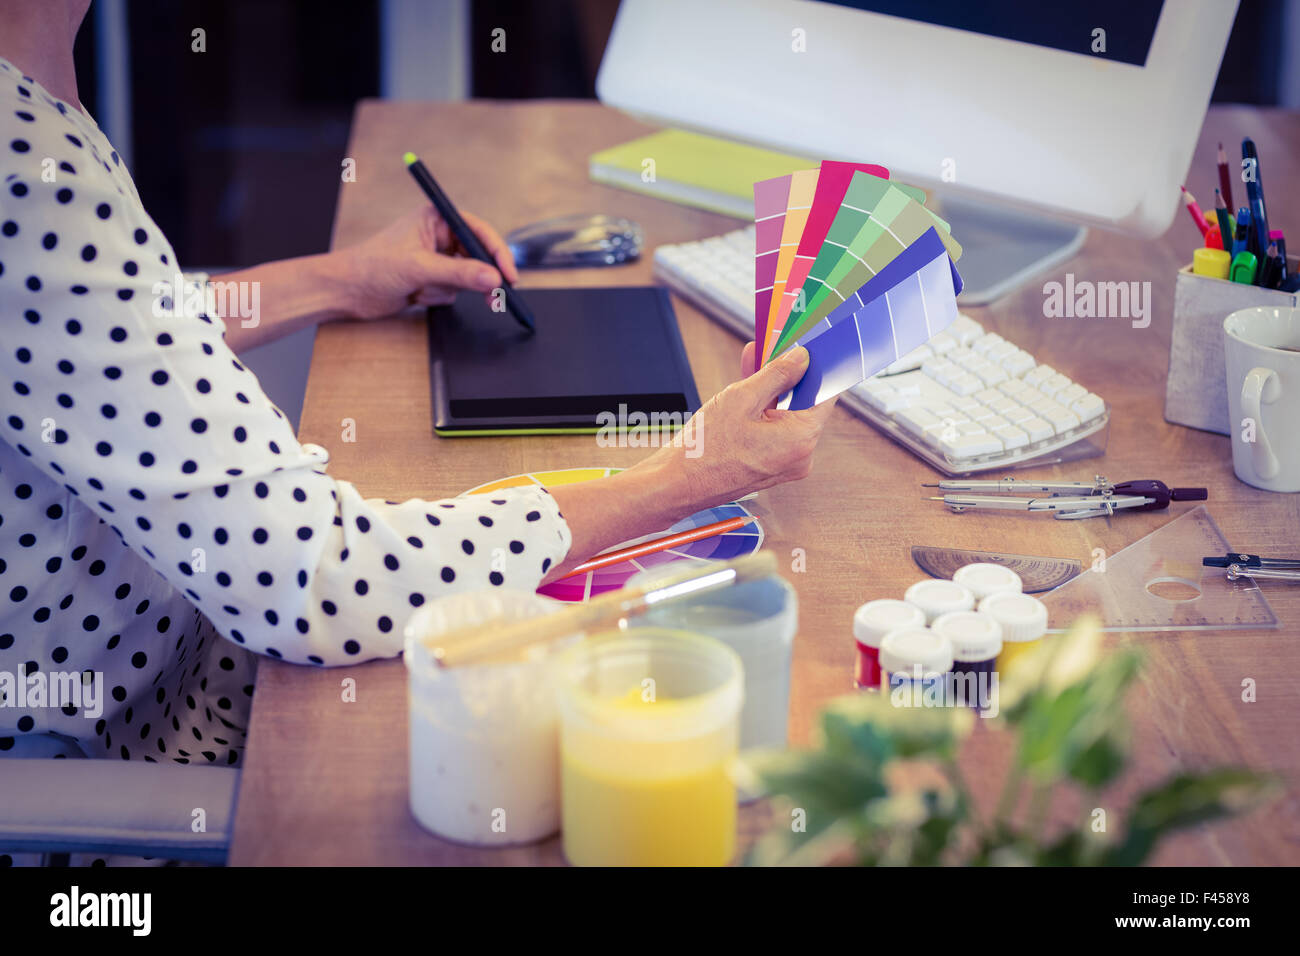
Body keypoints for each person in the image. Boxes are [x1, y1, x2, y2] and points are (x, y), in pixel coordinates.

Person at [0, 0, 834, 795]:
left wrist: (345, 279)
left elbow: (102, 333)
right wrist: (685, 477)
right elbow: (313, 574)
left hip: (190, 642)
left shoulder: (31, 87)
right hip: (139, 740)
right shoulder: (22, 166)